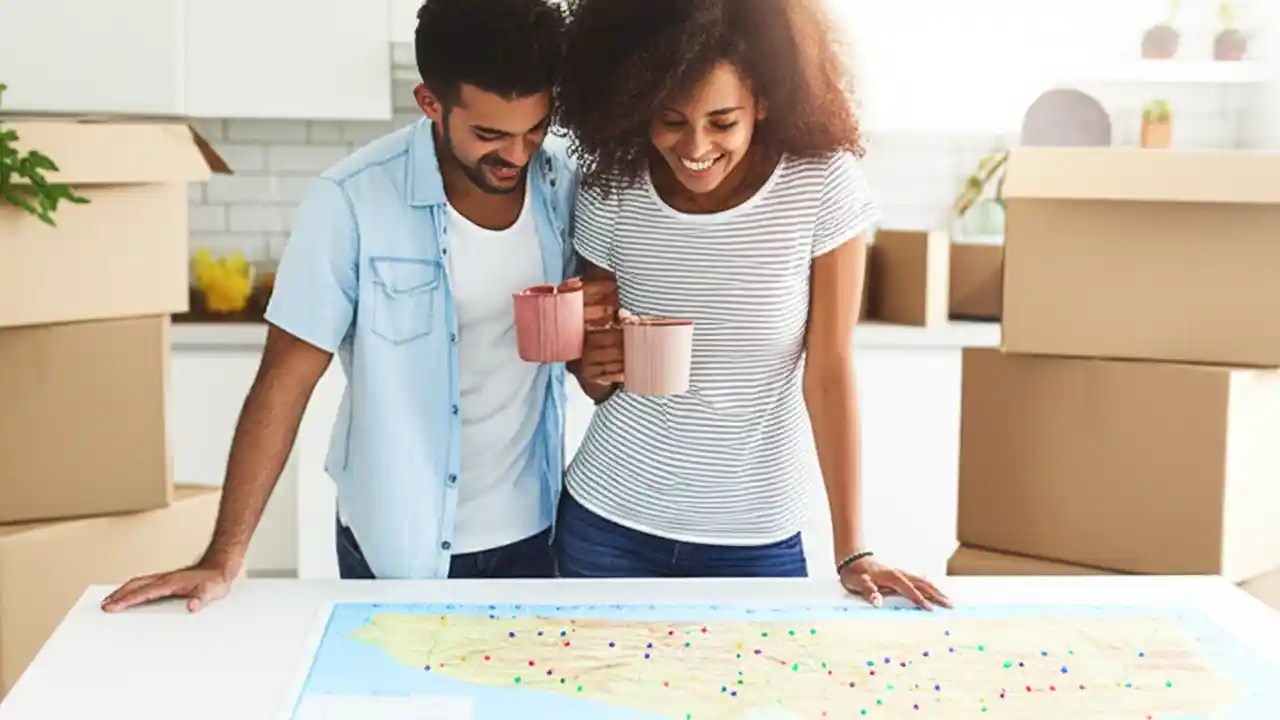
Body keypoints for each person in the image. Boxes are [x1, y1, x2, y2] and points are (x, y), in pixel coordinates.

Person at [101, 0, 577, 613]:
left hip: (534, 534)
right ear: (430, 103)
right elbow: (284, 381)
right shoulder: (352, 199)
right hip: (397, 548)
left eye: (533, 129)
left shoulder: (560, 184)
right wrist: (223, 556)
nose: (517, 154)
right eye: (489, 134)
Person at [556, 0, 950, 610]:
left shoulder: (821, 184)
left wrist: (852, 548)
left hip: (755, 541)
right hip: (609, 523)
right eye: (670, 120)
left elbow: (830, 370)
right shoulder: (615, 183)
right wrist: (593, 362)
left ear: (763, 101)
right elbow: (596, 379)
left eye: (722, 121)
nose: (695, 146)